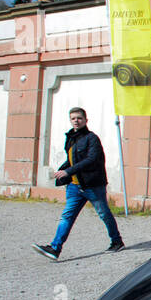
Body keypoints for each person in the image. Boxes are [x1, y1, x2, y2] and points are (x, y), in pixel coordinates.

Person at [32, 108, 124, 260]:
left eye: (79, 118)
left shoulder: (92, 138)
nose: (76, 120)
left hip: (93, 185)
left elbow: (91, 159)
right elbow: (72, 159)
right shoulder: (71, 138)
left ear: (85, 120)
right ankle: (55, 248)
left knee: (104, 214)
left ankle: (117, 241)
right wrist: (63, 171)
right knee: (67, 216)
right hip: (74, 186)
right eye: (73, 118)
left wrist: (68, 171)